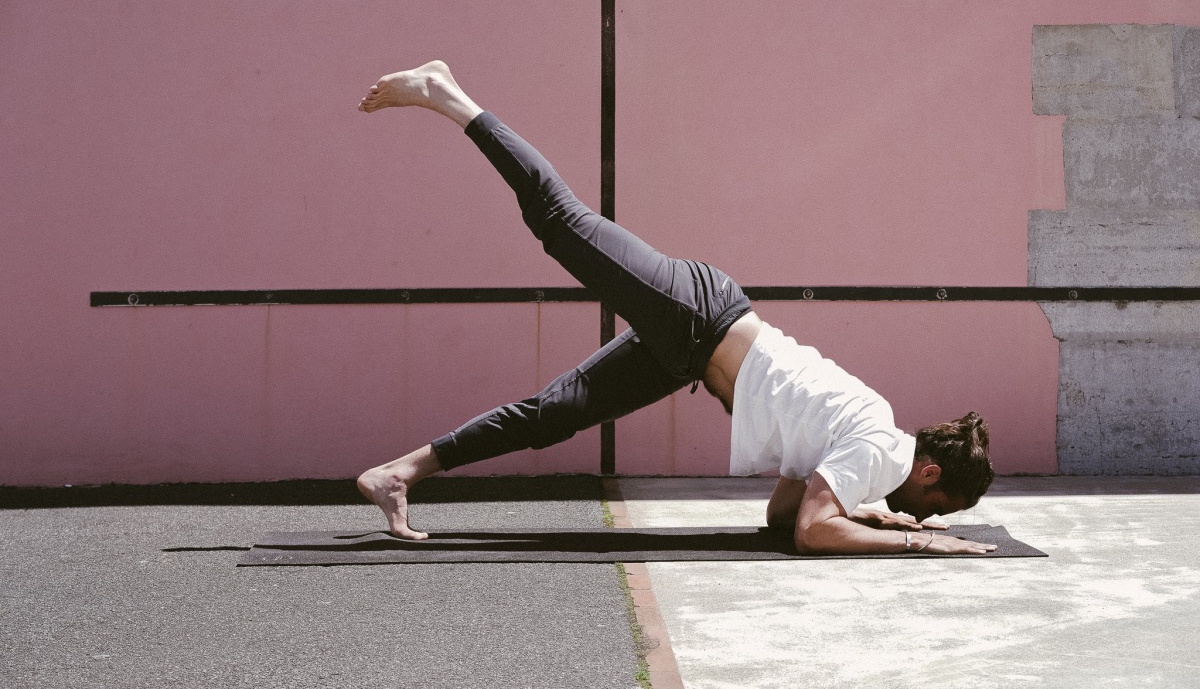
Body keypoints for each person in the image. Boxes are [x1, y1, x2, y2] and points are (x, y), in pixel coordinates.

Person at [355, 61, 997, 556]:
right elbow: (811, 533)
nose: (921, 514)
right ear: (930, 470)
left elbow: (783, 518)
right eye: (932, 506)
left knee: (555, 414)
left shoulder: (868, 444)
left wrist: (863, 514)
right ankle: (448, 95)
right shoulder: (883, 450)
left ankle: (399, 473)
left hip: (687, 348)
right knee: (559, 221)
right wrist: (921, 542)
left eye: (929, 520)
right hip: (698, 316)